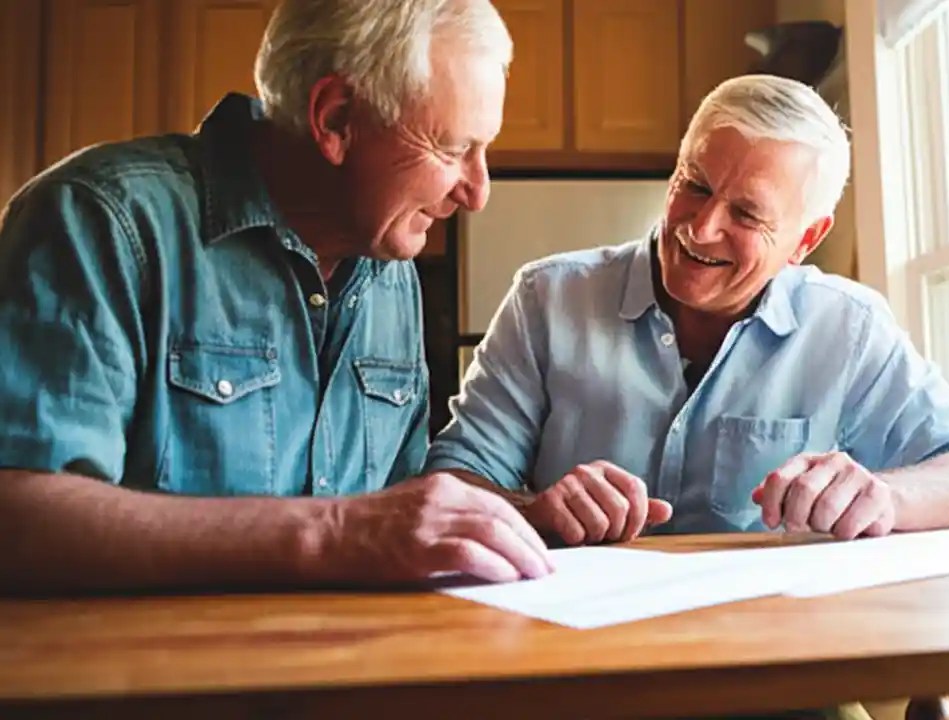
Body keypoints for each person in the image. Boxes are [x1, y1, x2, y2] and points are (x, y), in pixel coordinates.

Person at [0, 0, 551, 595]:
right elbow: (20, 519)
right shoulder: (100, 222)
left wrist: (523, 513)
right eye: (452, 149)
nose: (477, 193)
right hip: (152, 680)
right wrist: (331, 534)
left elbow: (400, 510)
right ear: (336, 119)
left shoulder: (389, 267)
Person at [423, 74, 949, 547]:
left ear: (805, 240)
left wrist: (885, 497)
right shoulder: (546, 299)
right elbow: (450, 481)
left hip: (773, 667)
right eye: (695, 185)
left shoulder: (847, 329)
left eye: (746, 214)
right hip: (572, 660)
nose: (700, 227)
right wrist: (537, 510)